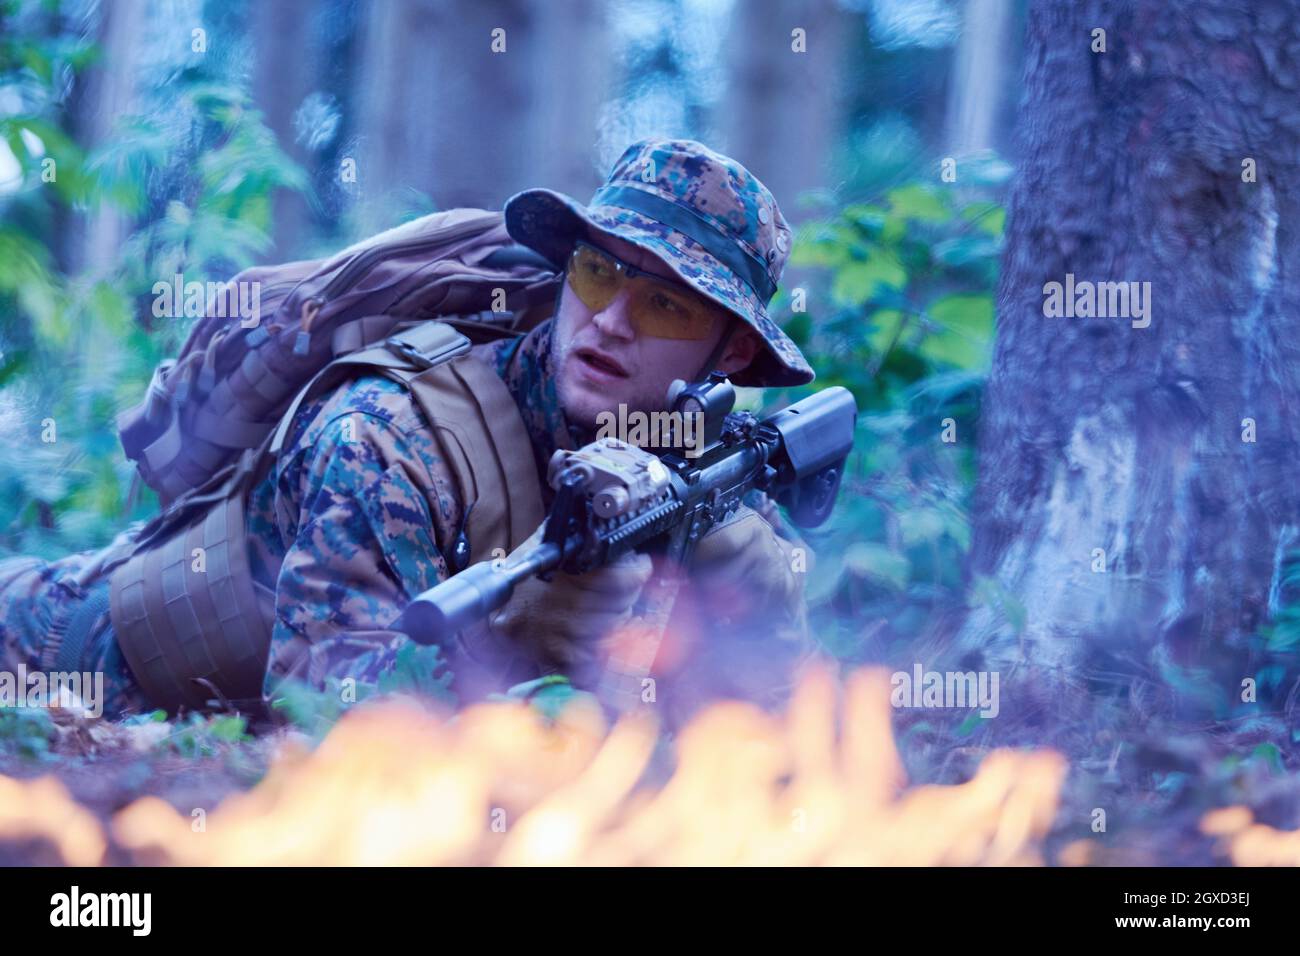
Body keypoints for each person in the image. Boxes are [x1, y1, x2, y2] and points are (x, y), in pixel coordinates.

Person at [0, 138, 817, 726]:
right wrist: (525, 643)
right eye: (597, 274)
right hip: (65, 655)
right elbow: (335, 722)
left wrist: (756, 594)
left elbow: (766, 748)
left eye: (664, 304)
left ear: (733, 349)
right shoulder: (393, 437)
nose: (608, 323)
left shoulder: (705, 477)